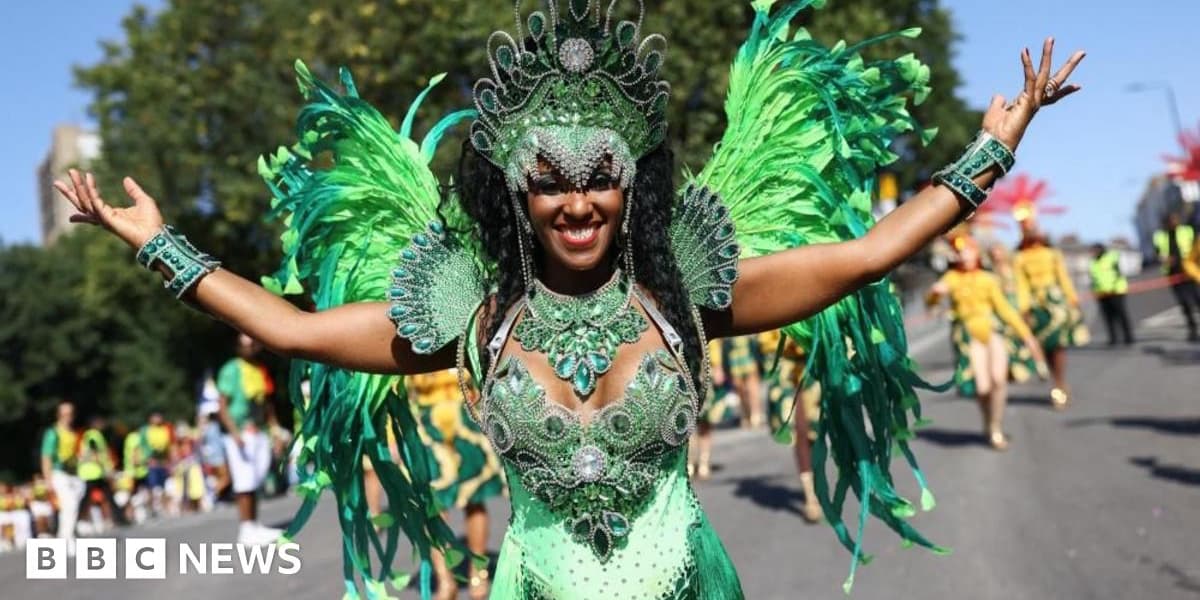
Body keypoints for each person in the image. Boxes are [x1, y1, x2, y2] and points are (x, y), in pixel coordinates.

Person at [54, 1, 1084, 595]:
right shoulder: (470, 311)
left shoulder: (686, 289)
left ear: (631, 185)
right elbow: (287, 327)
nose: (577, 200)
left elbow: (862, 257)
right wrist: (161, 245)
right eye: (550, 179)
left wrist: (992, 146)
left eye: (599, 176)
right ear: (517, 192)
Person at [928, 236, 1045, 449]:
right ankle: (988, 419)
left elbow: (1005, 310)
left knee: (998, 380)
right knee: (982, 388)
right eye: (960, 252)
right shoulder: (952, 277)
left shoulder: (987, 279)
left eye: (968, 251)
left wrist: (1027, 336)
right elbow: (932, 301)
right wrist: (935, 295)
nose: (964, 255)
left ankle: (995, 427)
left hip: (991, 332)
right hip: (968, 336)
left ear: (976, 253)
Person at [407, 369, 505, 599]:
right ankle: (445, 580)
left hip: (464, 424)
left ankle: (478, 571)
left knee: (474, 501)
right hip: (428, 430)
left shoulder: (460, 337)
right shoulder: (409, 341)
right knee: (433, 509)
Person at [1013, 221, 1089, 409]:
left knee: (1058, 345)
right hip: (1037, 307)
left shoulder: (1052, 254)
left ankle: (1059, 383)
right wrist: (1024, 309)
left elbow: (1062, 277)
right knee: (1045, 347)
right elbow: (1021, 285)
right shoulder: (1019, 258)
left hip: (1055, 305)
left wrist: (1073, 299)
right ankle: (1056, 382)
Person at [214, 334, 281, 544]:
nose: (250, 347)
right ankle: (246, 529)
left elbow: (267, 404)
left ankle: (253, 524)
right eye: (245, 343)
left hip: (258, 430)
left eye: (253, 343)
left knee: (255, 478)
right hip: (240, 433)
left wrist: (275, 429)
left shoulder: (260, 369)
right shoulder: (231, 369)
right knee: (245, 481)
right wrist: (234, 433)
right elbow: (222, 406)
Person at [759, 329, 823, 523]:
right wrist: (789, 342)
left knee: (815, 431)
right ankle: (810, 496)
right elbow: (765, 340)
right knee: (800, 430)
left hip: (813, 363)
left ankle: (817, 486)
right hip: (786, 368)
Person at [40, 401, 84, 551]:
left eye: (70, 413)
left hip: (74, 474)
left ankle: (64, 535)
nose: (68, 417)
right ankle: (67, 538)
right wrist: (48, 480)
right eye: (64, 414)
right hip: (58, 473)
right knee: (69, 505)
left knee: (71, 507)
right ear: (58, 415)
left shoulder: (73, 433)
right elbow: (46, 456)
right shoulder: (52, 433)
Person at [1154, 213, 1199, 341]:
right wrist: (1164, 259)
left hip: (1191, 271)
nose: (1173, 222)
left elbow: (1196, 248)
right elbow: (1158, 253)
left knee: (1197, 299)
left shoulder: (1187, 231)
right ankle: (1193, 330)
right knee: (1184, 303)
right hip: (1173, 273)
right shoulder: (1159, 236)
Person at [77, 416, 119, 531]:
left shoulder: (92, 435)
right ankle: (82, 520)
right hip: (92, 472)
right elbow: (94, 453)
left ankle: (112, 518)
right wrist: (106, 469)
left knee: (105, 495)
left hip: (95, 472)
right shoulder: (93, 436)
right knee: (88, 498)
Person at [1089, 243, 1134, 345]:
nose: (1093, 253)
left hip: (1116, 291)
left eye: (1094, 250)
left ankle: (1128, 337)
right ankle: (1113, 338)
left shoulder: (1111, 258)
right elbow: (1093, 279)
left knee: (1121, 315)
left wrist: (1113, 287)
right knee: (1108, 317)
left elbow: (1118, 274)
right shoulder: (1092, 262)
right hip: (1102, 293)